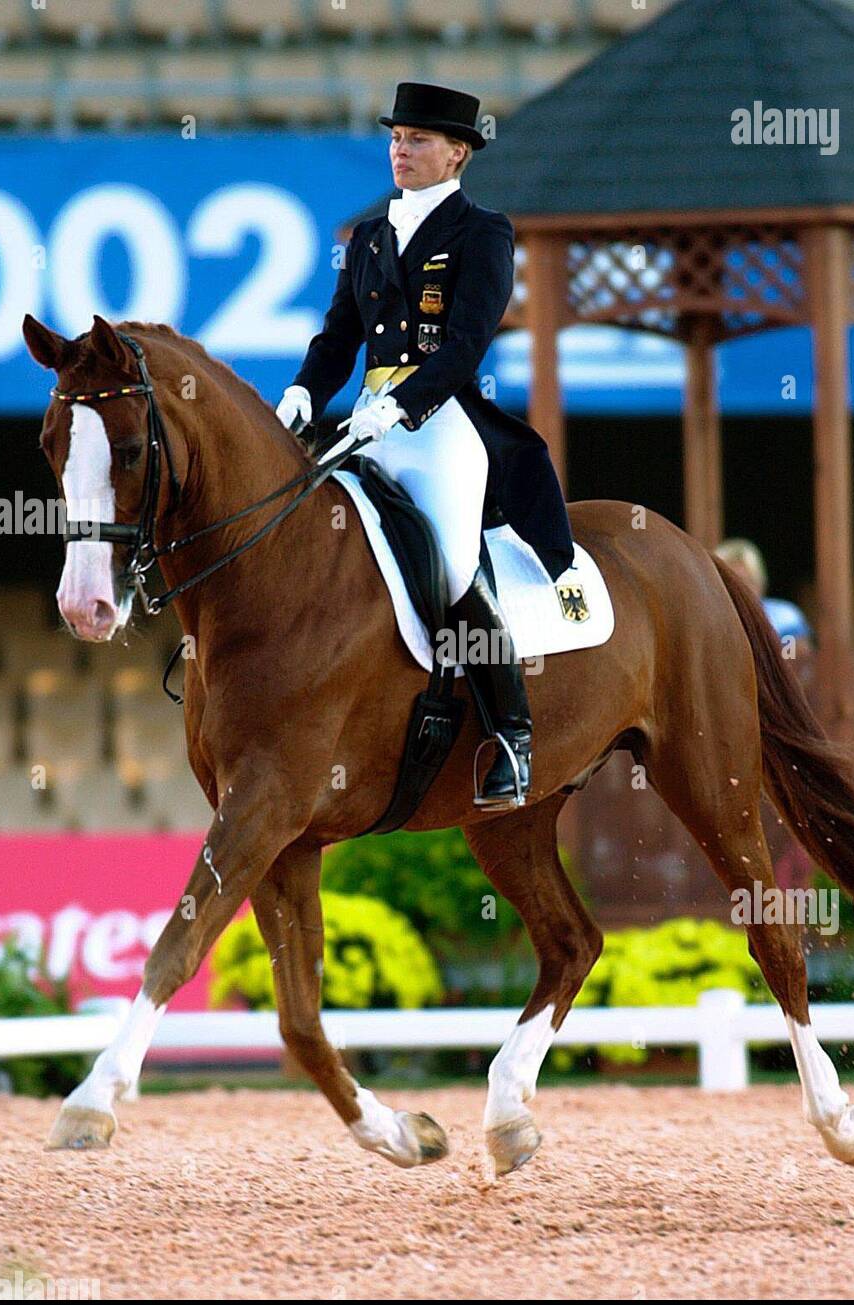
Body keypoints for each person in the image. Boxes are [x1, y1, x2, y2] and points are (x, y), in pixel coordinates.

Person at [276, 83, 573, 808]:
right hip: (366, 419)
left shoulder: (483, 231)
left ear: (457, 153)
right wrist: (305, 394)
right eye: (395, 138)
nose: (399, 151)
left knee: (448, 559)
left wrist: (403, 405)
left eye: (416, 140)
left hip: (437, 422)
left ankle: (512, 735)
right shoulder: (371, 236)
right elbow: (338, 336)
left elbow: (466, 343)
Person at [713, 538, 813, 655]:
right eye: (729, 582)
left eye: (745, 581)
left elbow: (793, 661)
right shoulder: (708, 622)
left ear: (760, 583)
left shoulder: (785, 618)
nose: (738, 591)